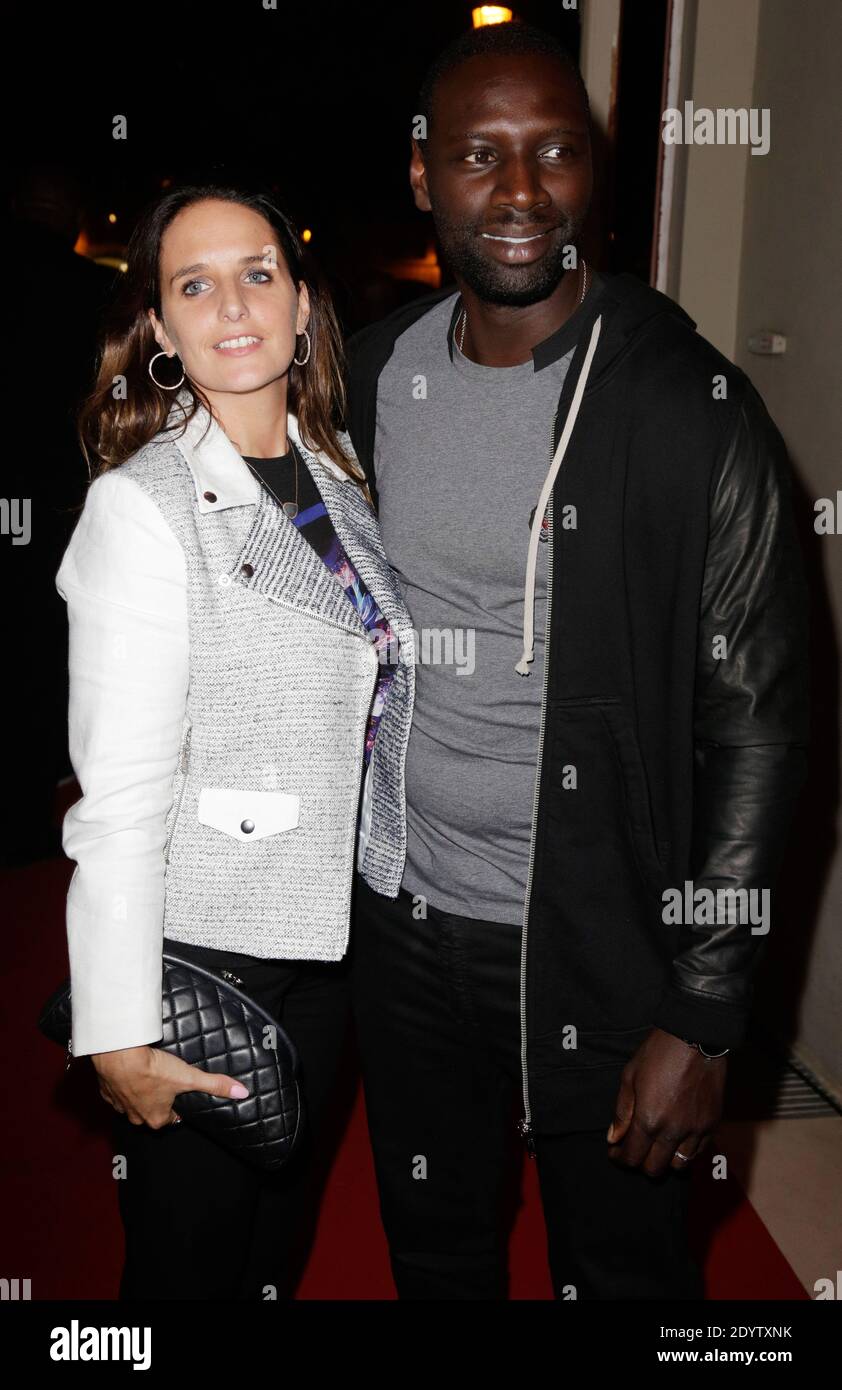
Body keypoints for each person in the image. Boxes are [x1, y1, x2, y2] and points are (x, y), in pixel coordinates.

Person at [343, 23, 809, 1300]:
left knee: (623, 1275)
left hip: (598, 941)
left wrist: (703, 1009)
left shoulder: (684, 406)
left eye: (552, 152)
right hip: (401, 921)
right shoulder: (376, 374)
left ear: (588, 172)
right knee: (436, 1252)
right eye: (479, 154)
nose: (518, 192)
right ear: (420, 173)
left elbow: (762, 725)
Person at [55, 183, 415, 1300]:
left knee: (272, 1253)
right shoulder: (142, 505)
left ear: (302, 304)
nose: (232, 305)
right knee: (184, 1270)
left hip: (329, 947)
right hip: (207, 962)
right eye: (193, 284)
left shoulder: (341, 471)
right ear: (159, 329)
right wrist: (115, 1033)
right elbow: (116, 797)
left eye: (257, 272)